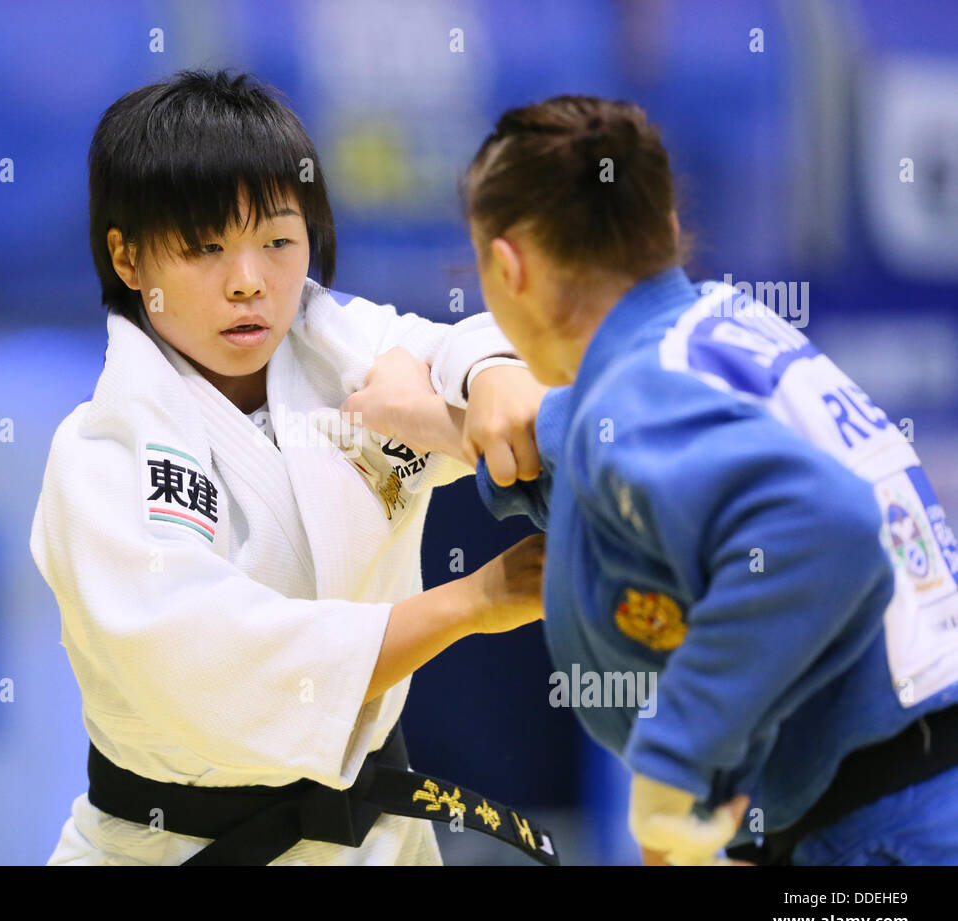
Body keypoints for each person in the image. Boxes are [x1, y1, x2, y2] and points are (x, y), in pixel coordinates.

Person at [373, 93, 958, 865]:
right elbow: (641, 486)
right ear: (666, 228)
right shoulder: (721, 327)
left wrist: (673, 764)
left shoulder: (639, 392)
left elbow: (827, 533)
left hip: (884, 831)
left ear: (506, 267)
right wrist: (447, 422)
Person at [29, 69, 555, 866]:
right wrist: (475, 602)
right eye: (206, 246)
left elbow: (460, 349)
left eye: (278, 241)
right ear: (129, 259)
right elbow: (213, 664)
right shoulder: (101, 455)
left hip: (379, 846)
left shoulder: (336, 347)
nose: (250, 281)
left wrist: (494, 378)